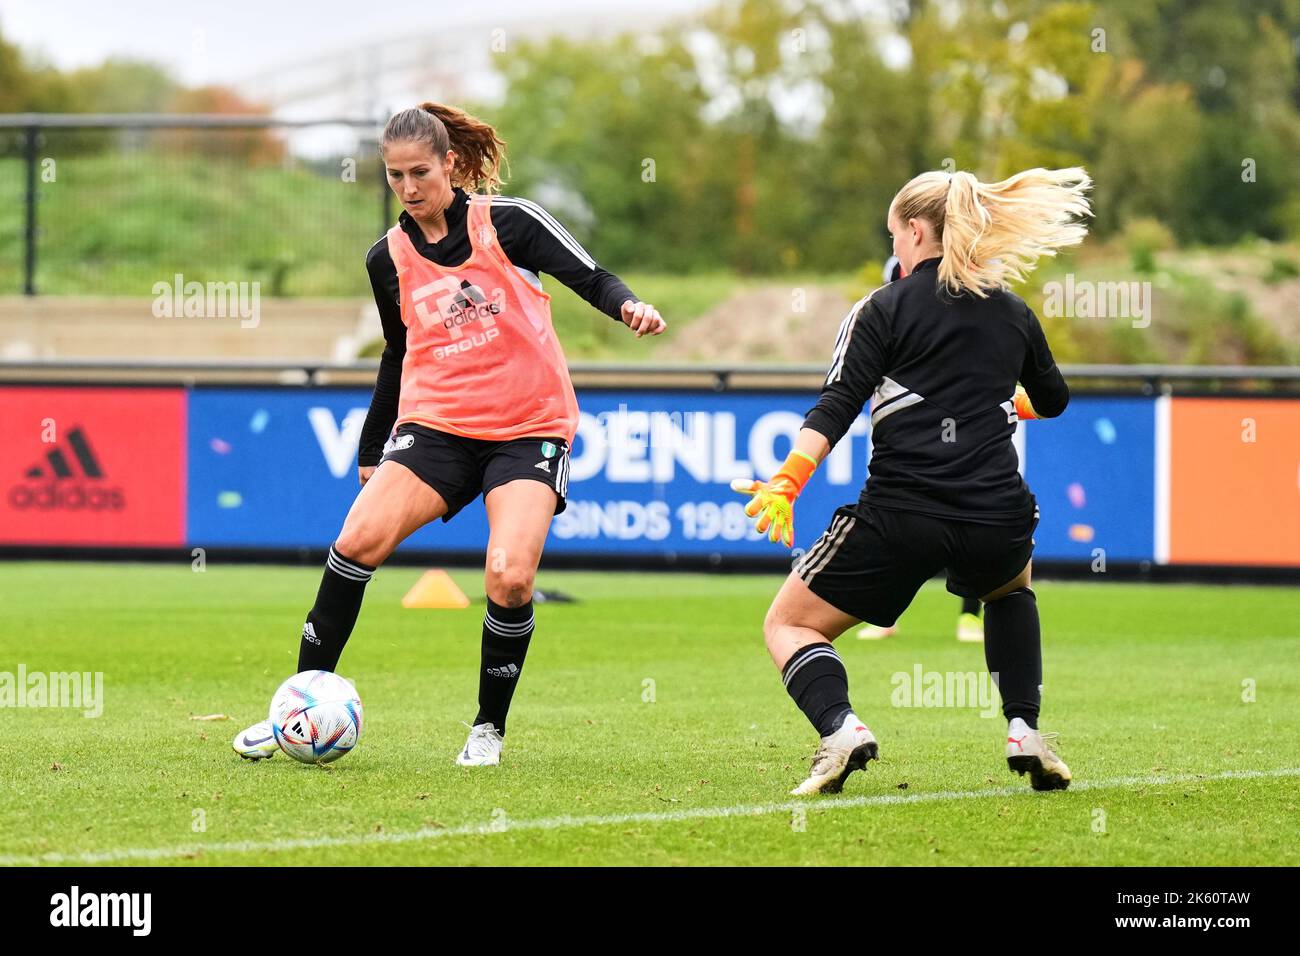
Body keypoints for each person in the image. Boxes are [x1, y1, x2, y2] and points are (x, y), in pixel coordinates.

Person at [233, 102, 666, 766]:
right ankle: (295, 705)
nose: (408, 188)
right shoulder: (389, 257)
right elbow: (394, 352)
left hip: (528, 429)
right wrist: (371, 450)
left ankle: (488, 727)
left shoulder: (511, 224)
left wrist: (627, 305)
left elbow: (592, 276)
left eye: (420, 173)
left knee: (509, 577)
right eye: (394, 175)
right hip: (435, 425)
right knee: (355, 541)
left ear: (451, 166)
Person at [733, 167, 1089, 795]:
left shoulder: (881, 308)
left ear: (917, 232)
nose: (892, 247)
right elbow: (1054, 399)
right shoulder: (1011, 312)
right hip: (995, 515)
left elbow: (836, 405)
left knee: (788, 625)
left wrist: (788, 481)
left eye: (894, 235)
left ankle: (840, 730)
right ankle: (1024, 729)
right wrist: (1000, 404)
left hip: (903, 516)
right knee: (1010, 593)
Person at [855, 256, 984, 644]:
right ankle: (884, 614)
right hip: (904, 441)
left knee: (974, 522)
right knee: (896, 527)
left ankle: (971, 616)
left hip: (962, 437)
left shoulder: (961, 312)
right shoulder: (885, 314)